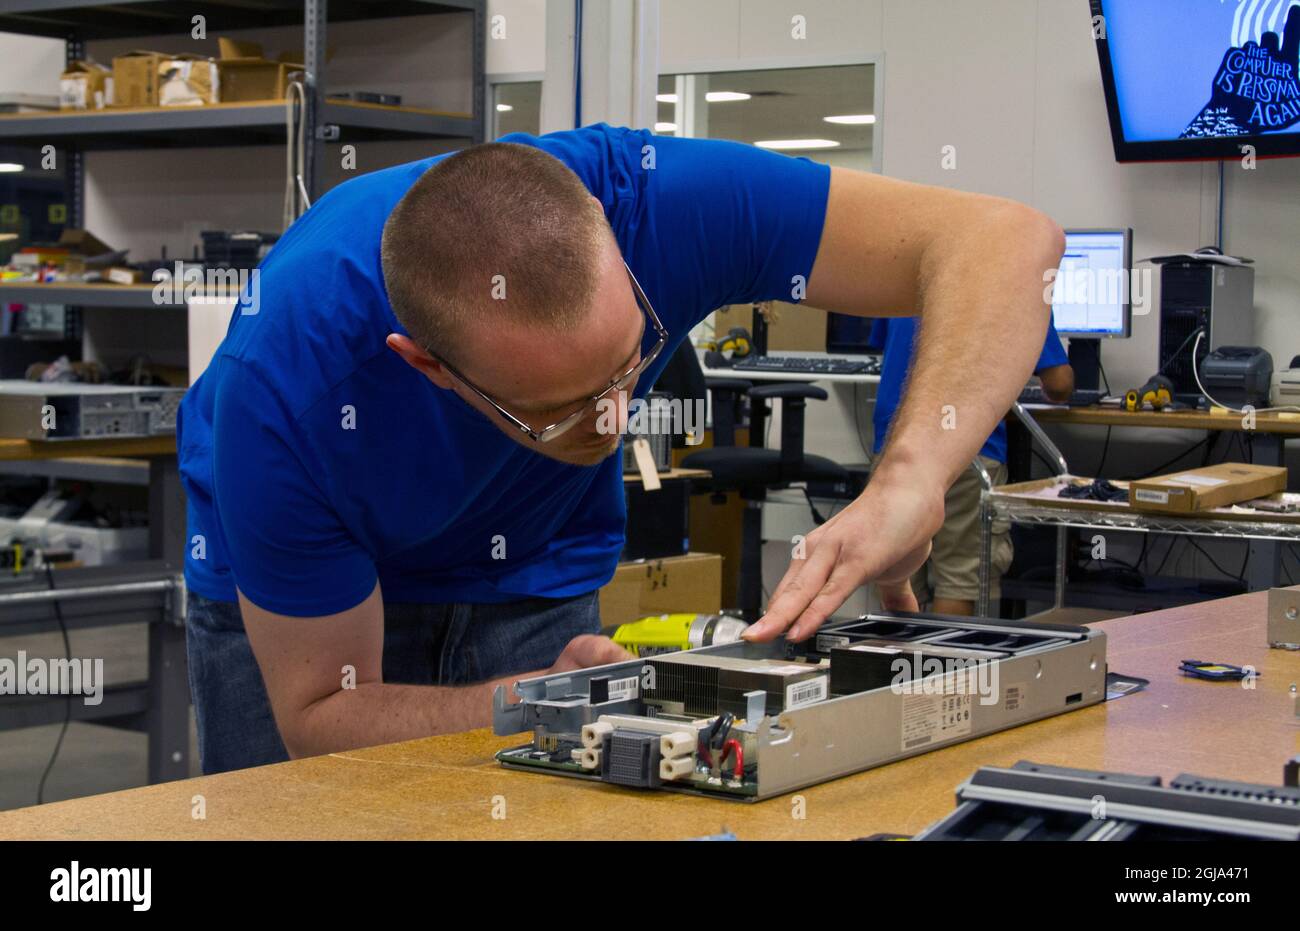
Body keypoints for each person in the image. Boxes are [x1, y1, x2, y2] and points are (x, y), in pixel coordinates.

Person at [178, 123, 1064, 772]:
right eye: (559, 410)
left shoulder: (658, 204)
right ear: (430, 367)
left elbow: (1007, 241)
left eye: (626, 366)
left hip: (530, 564)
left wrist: (912, 479)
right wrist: (520, 703)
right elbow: (322, 714)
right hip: (305, 599)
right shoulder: (287, 382)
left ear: (609, 234)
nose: (611, 426)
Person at [868, 316, 1073, 615]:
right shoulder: (1013, 278)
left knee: (897, 574)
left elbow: (889, 345)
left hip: (893, 443)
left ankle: (897, 661)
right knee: (960, 575)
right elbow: (1059, 384)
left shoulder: (906, 271)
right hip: (964, 448)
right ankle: (943, 663)